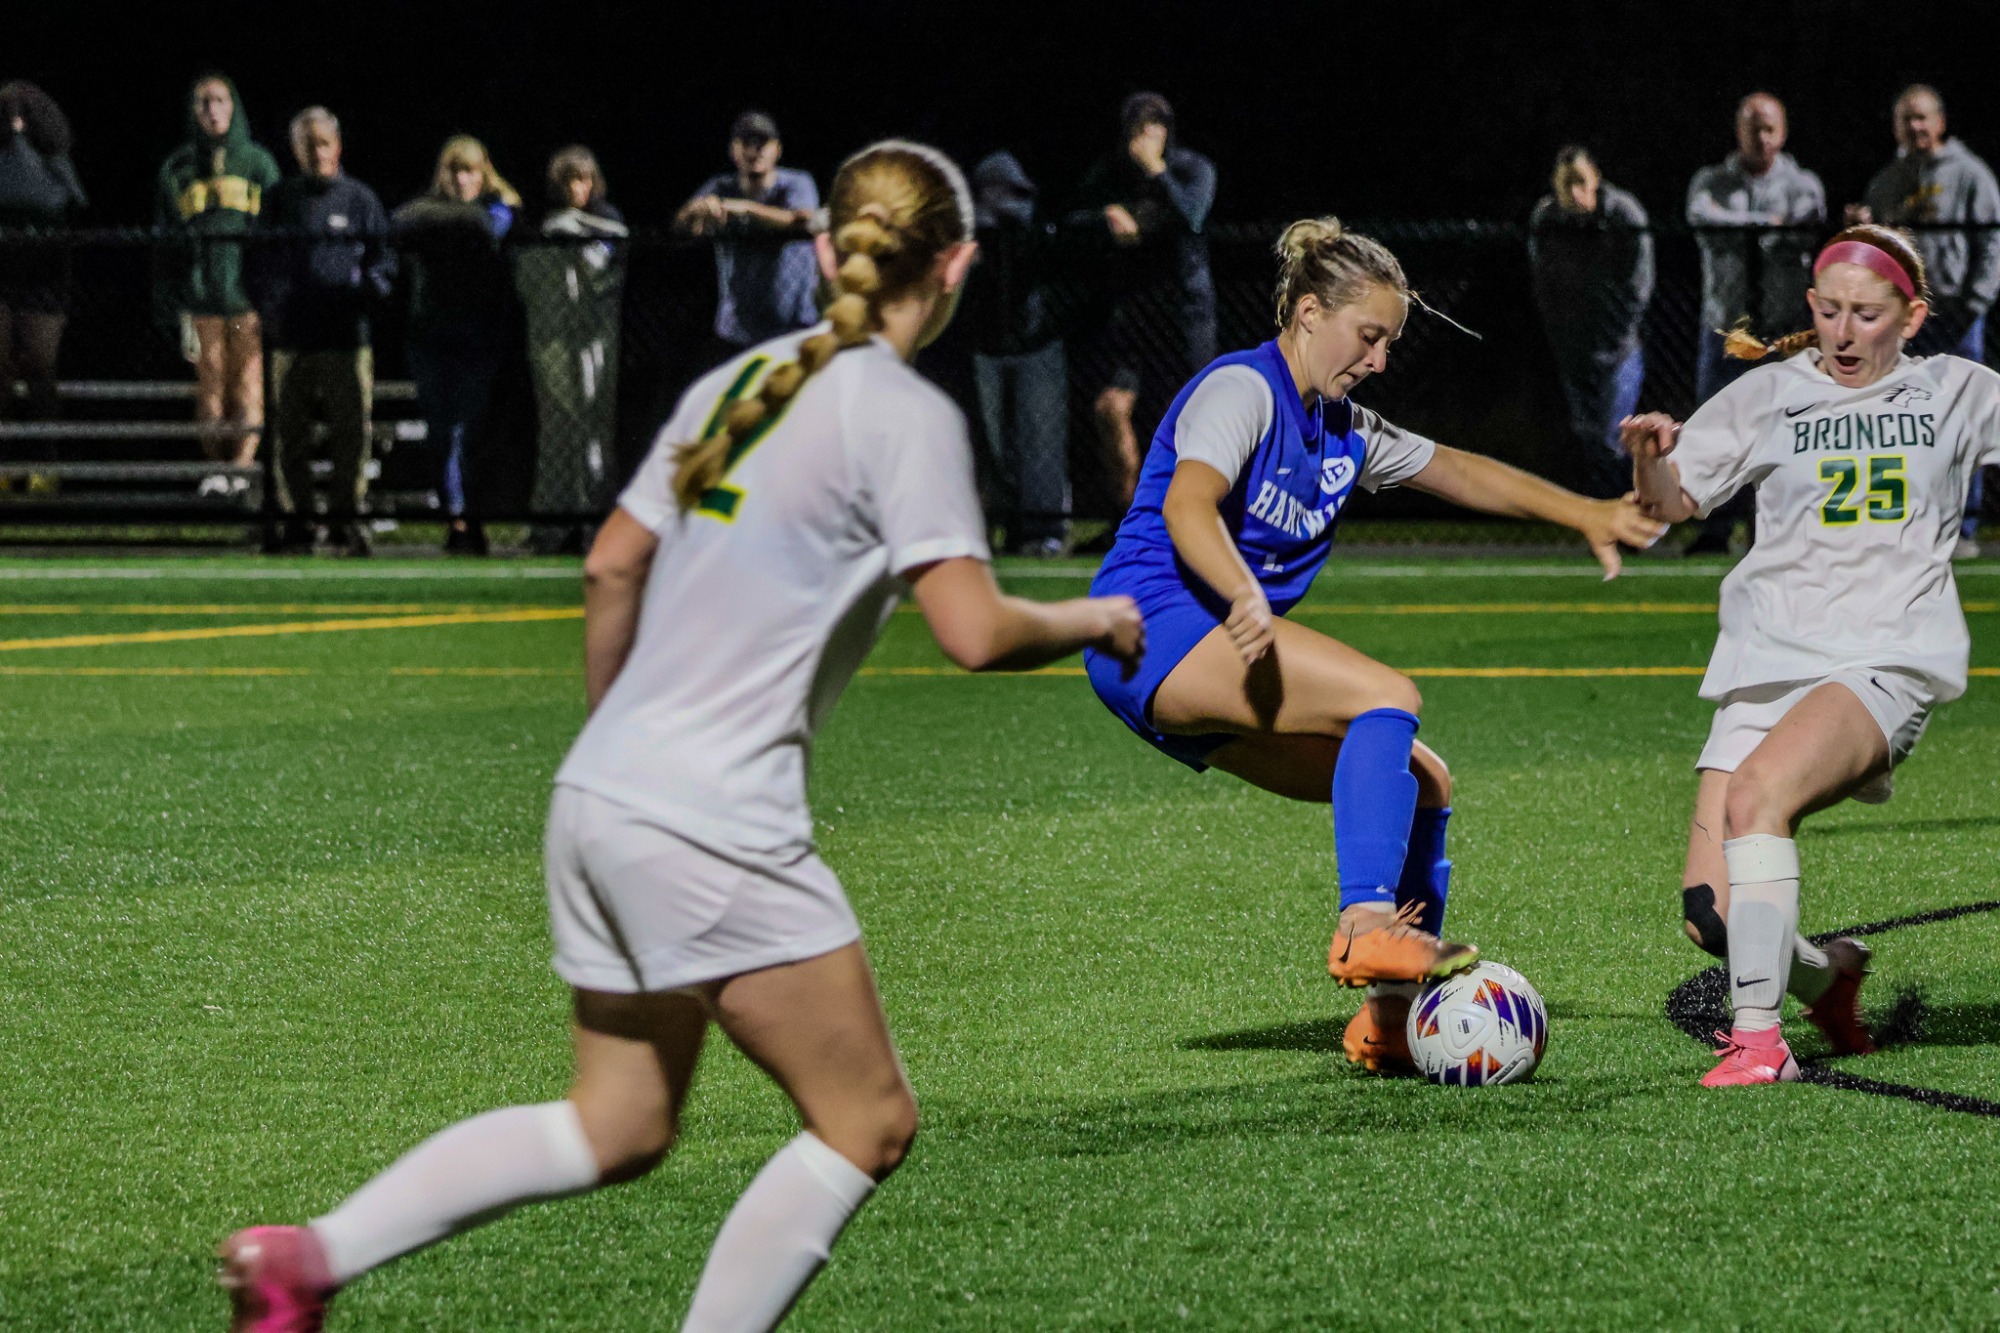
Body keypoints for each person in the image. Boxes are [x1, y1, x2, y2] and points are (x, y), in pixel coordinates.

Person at [216, 140, 1145, 1333]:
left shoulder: (739, 385)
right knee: (866, 1119)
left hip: (601, 797)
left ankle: (310, 1258)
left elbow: (611, 564)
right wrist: (1093, 618)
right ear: (958, 262)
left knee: (618, 1125)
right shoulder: (901, 415)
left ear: (822, 248)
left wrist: (622, 754)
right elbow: (969, 631)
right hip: (708, 818)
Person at [1083, 217, 1665, 1075]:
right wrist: (1242, 590)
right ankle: (1363, 924)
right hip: (1153, 625)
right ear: (1309, 312)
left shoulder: (1346, 430)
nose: (1381, 359)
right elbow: (1185, 505)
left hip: (1216, 652)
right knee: (1387, 694)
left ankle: (1388, 1025)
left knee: (1423, 780)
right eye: (1370, 336)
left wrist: (1586, 512)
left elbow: (1465, 471)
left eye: (1391, 342)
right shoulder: (1242, 390)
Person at [1621, 224, 1998, 1086]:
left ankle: (1759, 1044)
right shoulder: (1769, 396)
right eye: (1828, 311)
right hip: (1767, 658)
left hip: (1885, 655)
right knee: (1710, 915)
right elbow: (1674, 503)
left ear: (1913, 314)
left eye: (1866, 314)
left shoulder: (1956, 390)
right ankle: (1829, 980)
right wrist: (1649, 462)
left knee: (1759, 796)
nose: (1843, 331)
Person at [1857, 85, 2000, 558]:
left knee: (1963, 422)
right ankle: (1908, 523)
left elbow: (1990, 243)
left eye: (1922, 118)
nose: (1915, 127)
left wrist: (1975, 302)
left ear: (1940, 122)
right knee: (1902, 422)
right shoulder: (1886, 181)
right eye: (1905, 119)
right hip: (1906, 321)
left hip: (1956, 316)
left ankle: (1963, 526)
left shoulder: (1971, 175)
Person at [1682, 93, 1827, 556]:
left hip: (1784, 334)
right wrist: (1768, 224)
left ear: (1782, 133)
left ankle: (1779, 529)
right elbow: (1703, 218)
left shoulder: (1803, 184)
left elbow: (1807, 223)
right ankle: (1716, 528)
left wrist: (1747, 229)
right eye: (1752, 128)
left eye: (1769, 128)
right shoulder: (1711, 181)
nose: (1761, 138)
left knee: (1789, 434)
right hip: (1727, 330)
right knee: (1718, 435)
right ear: (1738, 131)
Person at [1069, 92, 1217, 513]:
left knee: (1190, 418)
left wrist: (1157, 169)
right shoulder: (1112, 174)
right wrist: (1107, 218)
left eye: (1156, 127)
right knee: (1110, 407)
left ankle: (1196, 517)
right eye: (1139, 128)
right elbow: (1069, 219)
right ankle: (1128, 517)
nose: (1148, 136)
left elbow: (1193, 217)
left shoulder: (1192, 169)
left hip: (1185, 316)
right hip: (1135, 315)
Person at [254, 107, 392, 555]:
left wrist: (366, 293)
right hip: (293, 337)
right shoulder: (279, 199)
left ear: (338, 146)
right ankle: (299, 519)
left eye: (323, 143)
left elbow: (384, 261)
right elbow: (260, 260)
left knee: (351, 434)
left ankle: (345, 520)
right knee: (289, 435)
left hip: (346, 339)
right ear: (295, 151)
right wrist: (273, 306)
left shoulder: (361, 200)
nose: (317, 152)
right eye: (307, 144)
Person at [392, 135, 521, 555]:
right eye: (455, 171)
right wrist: (453, 220)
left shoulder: (497, 207)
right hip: (430, 339)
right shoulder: (428, 210)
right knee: (442, 434)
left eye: (470, 171)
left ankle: (472, 515)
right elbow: (399, 221)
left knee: (471, 433)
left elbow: (489, 226)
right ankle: (457, 519)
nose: (463, 180)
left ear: (483, 174)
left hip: (479, 339)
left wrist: (450, 222)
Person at [154, 74, 280, 482]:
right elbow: (166, 245)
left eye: (220, 100)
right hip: (201, 301)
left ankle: (241, 471)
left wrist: (271, 294)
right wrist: (171, 301)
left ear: (234, 106)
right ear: (193, 111)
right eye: (203, 102)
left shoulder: (258, 164)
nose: (212, 110)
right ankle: (215, 473)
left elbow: (280, 234)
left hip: (248, 302)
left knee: (247, 384)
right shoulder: (177, 169)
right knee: (210, 387)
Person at [517, 145, 627, 555]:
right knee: (558, 429)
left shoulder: (608, 220)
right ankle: (553, 524)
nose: (574, 188)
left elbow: (607, 264)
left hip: (594, 341)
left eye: (581, 179)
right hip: (553, 340)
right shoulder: (542, 225)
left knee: (593, 430)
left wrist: (581, 232)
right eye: (566, 180)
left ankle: (594, 521)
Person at [1528, 147, 1654, 500]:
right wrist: (1565, 338)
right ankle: (1605, 517)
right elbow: (1544, 286)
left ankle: (1637, 512)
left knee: (1613, 435)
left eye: (1581, 182)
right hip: (1574, 350)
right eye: (1565, 184)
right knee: (1587, 436)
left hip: (1620, 347)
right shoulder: (1547, 219)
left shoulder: (1624, 214)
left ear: (1596, 179)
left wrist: (1616, 340)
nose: (1574, 193)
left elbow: (1639, 287)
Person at [963, 151, 1069, 554]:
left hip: (1037, 343)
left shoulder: (1037, 227)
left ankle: (1044, 532)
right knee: (988, 445)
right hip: (985, 348)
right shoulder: (967, 233)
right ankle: (993, 528)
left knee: (1040, 440)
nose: (1005, 201)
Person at [674, 112, 819, 358]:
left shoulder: (796, 183)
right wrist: (696, 210)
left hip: (793, 325)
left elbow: (801, 219)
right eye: (747, 143)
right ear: (733, 150)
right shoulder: (721, 187)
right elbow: (679, 226)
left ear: (777, 149)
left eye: (762, 144)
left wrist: (746, 208)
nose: (755, 151)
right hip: (738, 329)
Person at [0, 81, 86, 447]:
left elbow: (68, 202)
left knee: (41, 370)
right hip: (5, 281)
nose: (16, 120)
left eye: (22, 112)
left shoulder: (53, 160)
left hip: (44, 282)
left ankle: (44, 467)